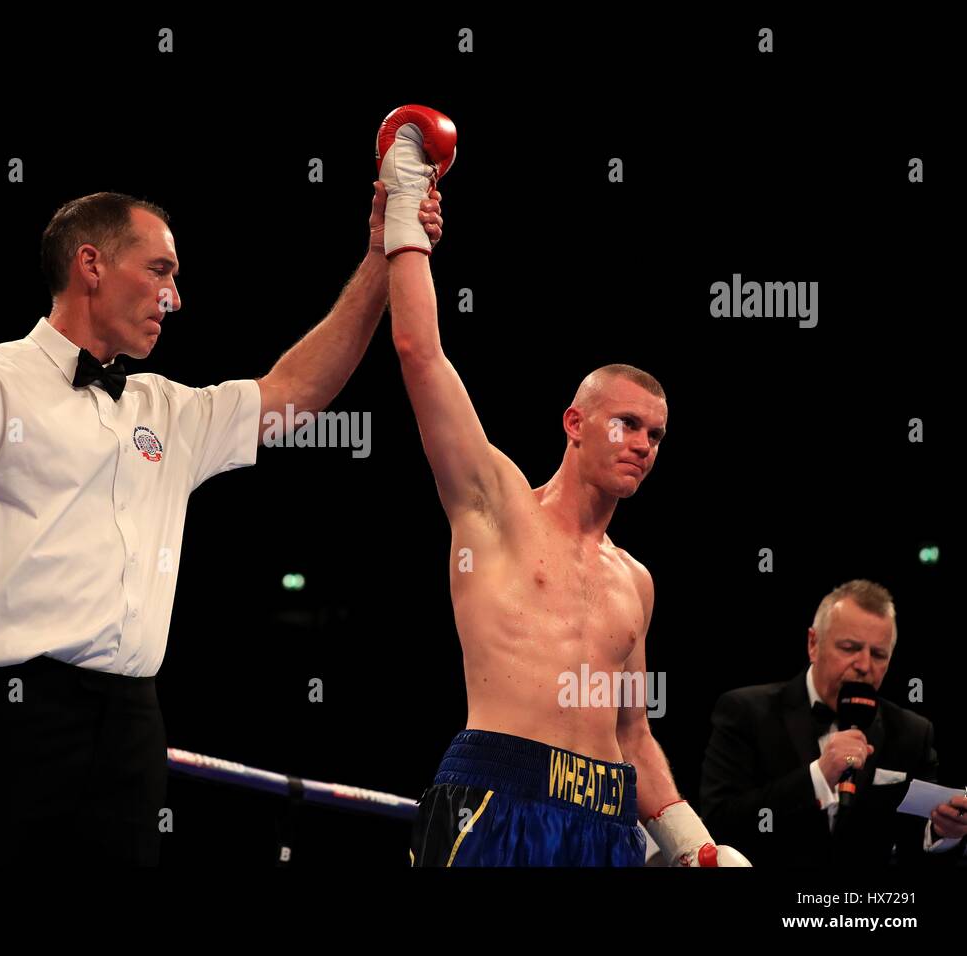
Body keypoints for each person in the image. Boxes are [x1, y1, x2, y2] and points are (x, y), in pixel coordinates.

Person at [0, 183, 443, 866]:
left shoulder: (168, 410)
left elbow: (299, 390)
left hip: (131, 729)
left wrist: (385, 253)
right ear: (91, 264)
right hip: (6, 722)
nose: (173, 296)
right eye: (158, 271)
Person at [380, 104, 745, 867]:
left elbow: (631, 735)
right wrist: (406, 199)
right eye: (626, 424)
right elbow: (421, 354)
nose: (642, 445)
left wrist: (693, 846)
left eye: (655, 435)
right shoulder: (498, 507)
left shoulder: (634, 580)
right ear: (574, 423)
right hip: (498, 797)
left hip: (607, 826)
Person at [701, 579, 967, 866]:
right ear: (813, 644)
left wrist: (942, 832)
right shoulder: (746, 711)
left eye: (878, 654)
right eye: (850, 648)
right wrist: (818, 776)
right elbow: (719, 823)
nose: (864, 665)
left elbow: (914, 843)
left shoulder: (912, 732)